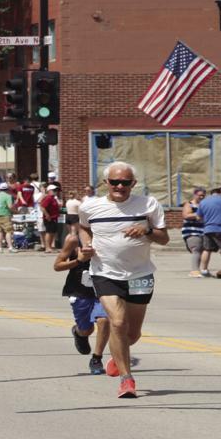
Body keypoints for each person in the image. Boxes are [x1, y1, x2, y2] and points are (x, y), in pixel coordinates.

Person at [76, 162, 168, 399]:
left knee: (133, 334)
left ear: (133, 184)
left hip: (140, 274)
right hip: (105, 272)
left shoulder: (148, 205)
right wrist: (86, 246)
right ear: (106, 183)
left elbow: (164, 238)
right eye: (115, 182)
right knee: (117, 323)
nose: (120, 186)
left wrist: (146, 231)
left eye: (125, 182)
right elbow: (84, 228)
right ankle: (127, 380)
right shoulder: (90, 206)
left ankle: (117, 359)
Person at [54, 230, 110, 374]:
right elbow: (57, 266)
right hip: (79, 291)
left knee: (104, 320)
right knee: (87, 330)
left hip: (103, 288)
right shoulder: (74, 241)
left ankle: (96, 358)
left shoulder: (108, 237)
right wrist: (79, 260)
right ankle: (79, 333)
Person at [181, 186, 211, 277]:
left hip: (203, 231)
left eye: (203, 196)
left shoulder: (205, 205)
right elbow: (186, 215)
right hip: (192, 232)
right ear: (194, 195)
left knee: (203, 251)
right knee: (196, 249)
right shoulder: (189, 204)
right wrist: (198, 214)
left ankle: (202, 270)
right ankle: (194, 271)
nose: (201, 197)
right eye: (200, 195)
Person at [200, 186, 221, 278]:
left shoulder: (203, 202)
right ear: (220, 191)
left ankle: (204, 270)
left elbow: (199, 216)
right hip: (220, 228)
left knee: (207, 249)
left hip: (208, 229)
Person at [40, 184, 63, 252]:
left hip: (54, 218)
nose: (56, 192)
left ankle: (50, 246)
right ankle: (47, 247)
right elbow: (42, 207)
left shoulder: (53, 198)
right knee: (49, 232)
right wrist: (47, 215)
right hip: (49, 218)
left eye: (56, 190)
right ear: (49, 191)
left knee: (52, 233)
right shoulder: (48, 198)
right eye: (54, 190)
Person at [0, 183, 15, 252]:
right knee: (8, 231)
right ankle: (10, 247)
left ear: (0, 189)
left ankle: (0, 248)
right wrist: (15, 211)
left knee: (0, 231)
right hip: (5, 214)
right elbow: (10, 206)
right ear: (7, 189)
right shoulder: (8, 196)